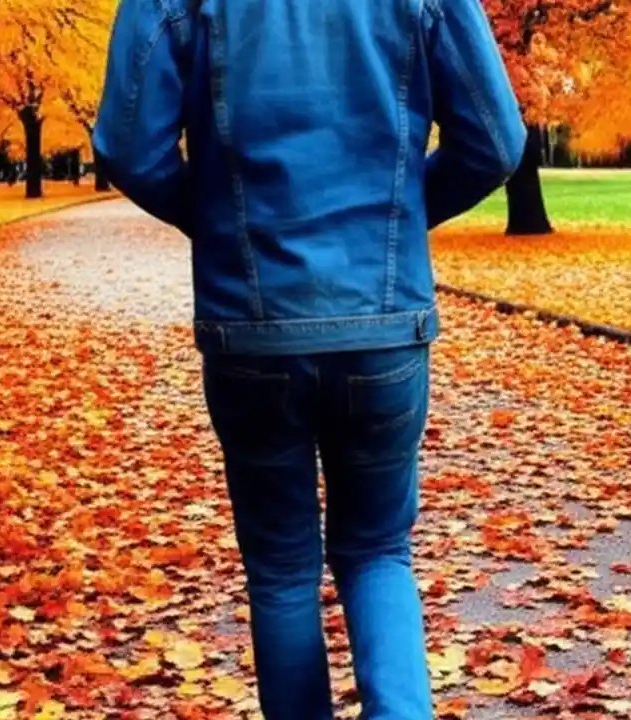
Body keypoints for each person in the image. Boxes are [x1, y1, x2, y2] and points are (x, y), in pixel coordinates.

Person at [93, 0, 526, 717]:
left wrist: (222, 225)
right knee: (378, 552)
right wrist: (402, 213)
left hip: (252, 328)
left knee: (282, 570)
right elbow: (495, 139)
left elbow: (130, 147)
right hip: (383, 323)